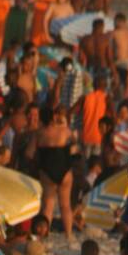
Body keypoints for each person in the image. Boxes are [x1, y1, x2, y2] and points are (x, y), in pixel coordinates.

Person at [36, 103, 75, 244]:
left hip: (47, 169)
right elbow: (75, 143)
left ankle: (44, 235)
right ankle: (69, 235)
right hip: (64, 169)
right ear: (53, 117)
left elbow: (29, 153)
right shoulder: (64, 130)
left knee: (48, 205)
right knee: (66, 205)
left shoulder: (39, 133)